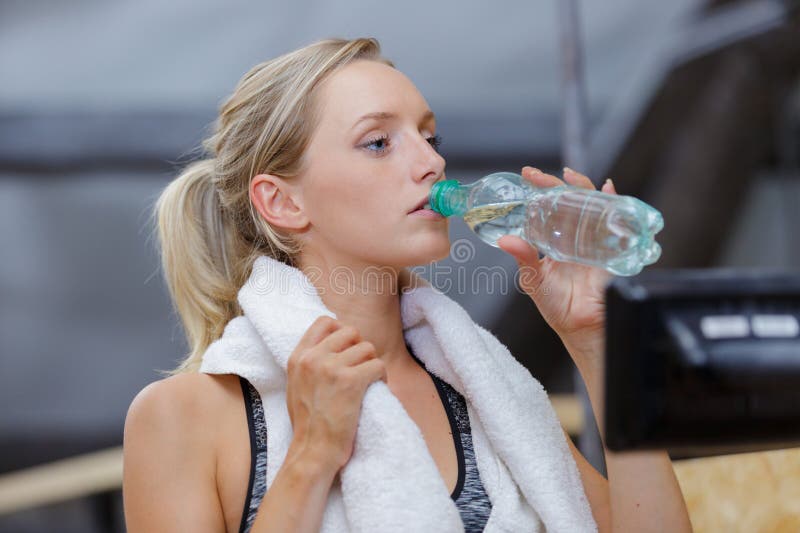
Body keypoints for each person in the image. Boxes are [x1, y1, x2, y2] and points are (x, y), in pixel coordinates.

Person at [122, 37, 692, 532]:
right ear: (282, 202)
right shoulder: (183, 417)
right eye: (378, 142)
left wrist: (595, 341)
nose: (431, 163)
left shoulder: (488, 393)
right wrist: (311, 456)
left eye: (430, 138)